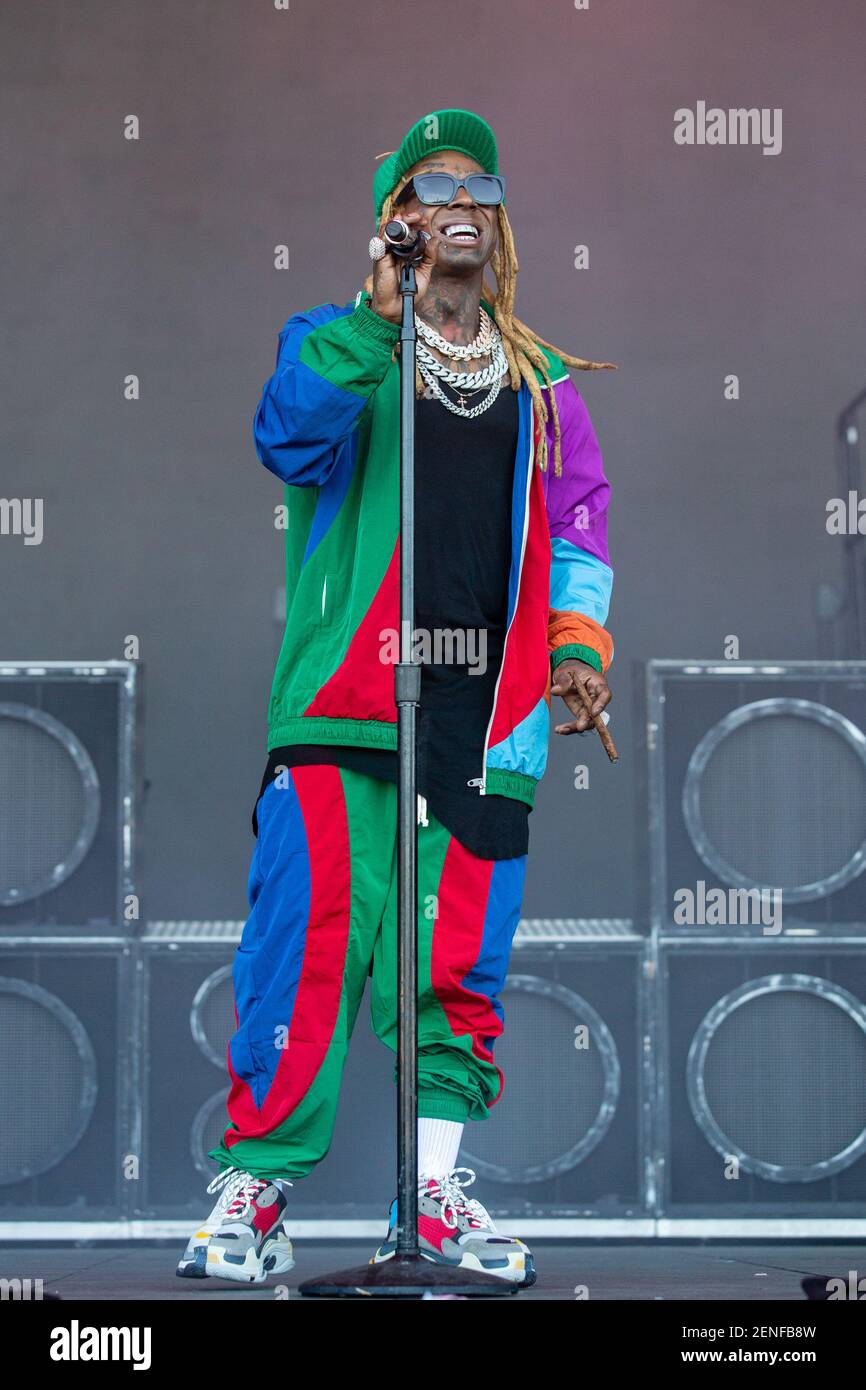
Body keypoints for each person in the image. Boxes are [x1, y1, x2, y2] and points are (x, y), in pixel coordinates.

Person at [177, 108, 615, 1287]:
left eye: (481, 180)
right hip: (345, 708)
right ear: (399, 221)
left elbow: (576, 527)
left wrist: (578, 647)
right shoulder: (336, 343)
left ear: (498, 216)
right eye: (432, 184)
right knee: (303, 946)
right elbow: (286, 435)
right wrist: (380, 313)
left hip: (488, 721)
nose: (460, 197)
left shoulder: (544, 387)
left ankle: (427, 1201)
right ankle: (255, 1194)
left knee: (456, 960)